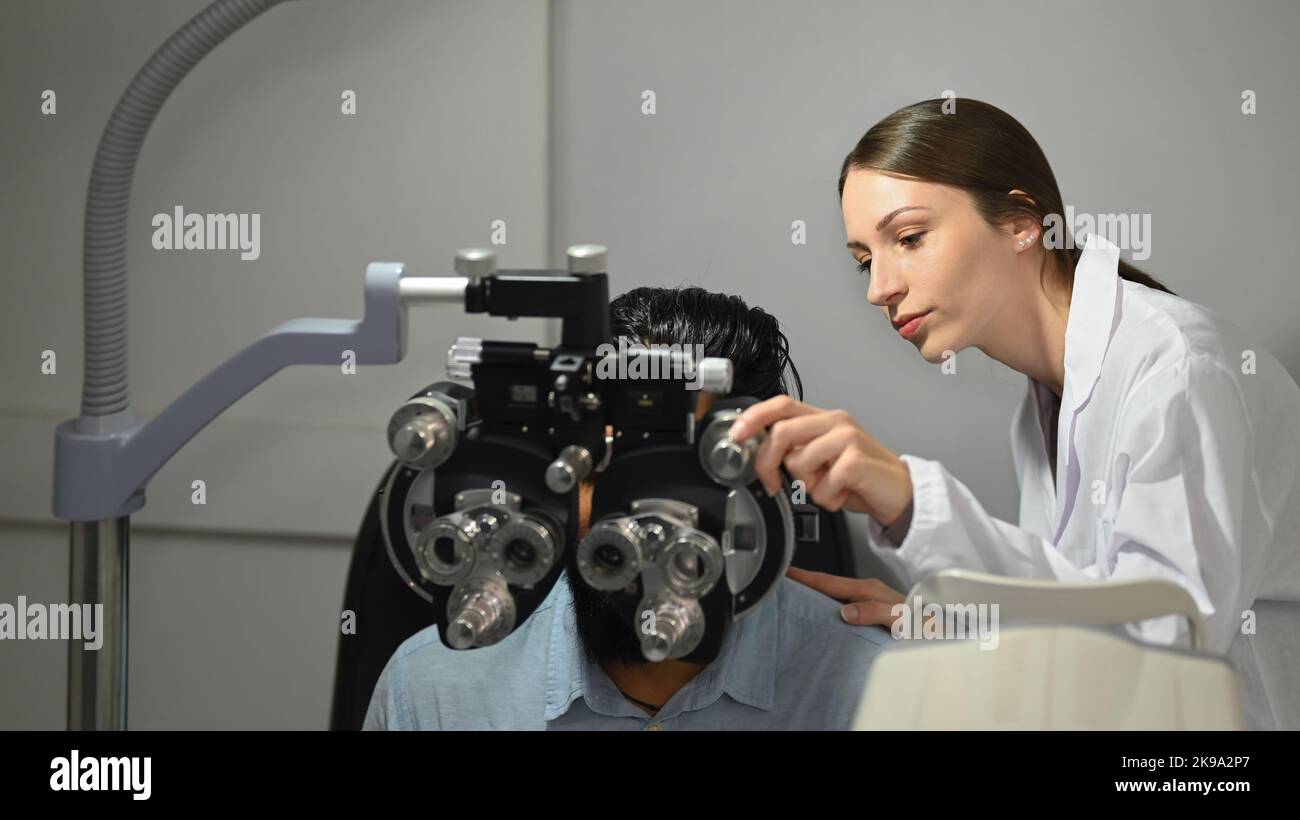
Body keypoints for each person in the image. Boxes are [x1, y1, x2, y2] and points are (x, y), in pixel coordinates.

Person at [730, 97, 1300, 730]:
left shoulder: (1180, 373)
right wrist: (951, 624)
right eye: (866, 259)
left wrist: (912, 501)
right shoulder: (1041, 409)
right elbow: (1086, 612)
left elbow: (1167, 650)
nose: (878, 288)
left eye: (910, 238)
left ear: (1023, 223)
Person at [364, 287, 890, 730]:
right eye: (610, 468)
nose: (642, 527)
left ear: (764, 488)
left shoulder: (877, 689)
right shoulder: (429, 689)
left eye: (688, 479)